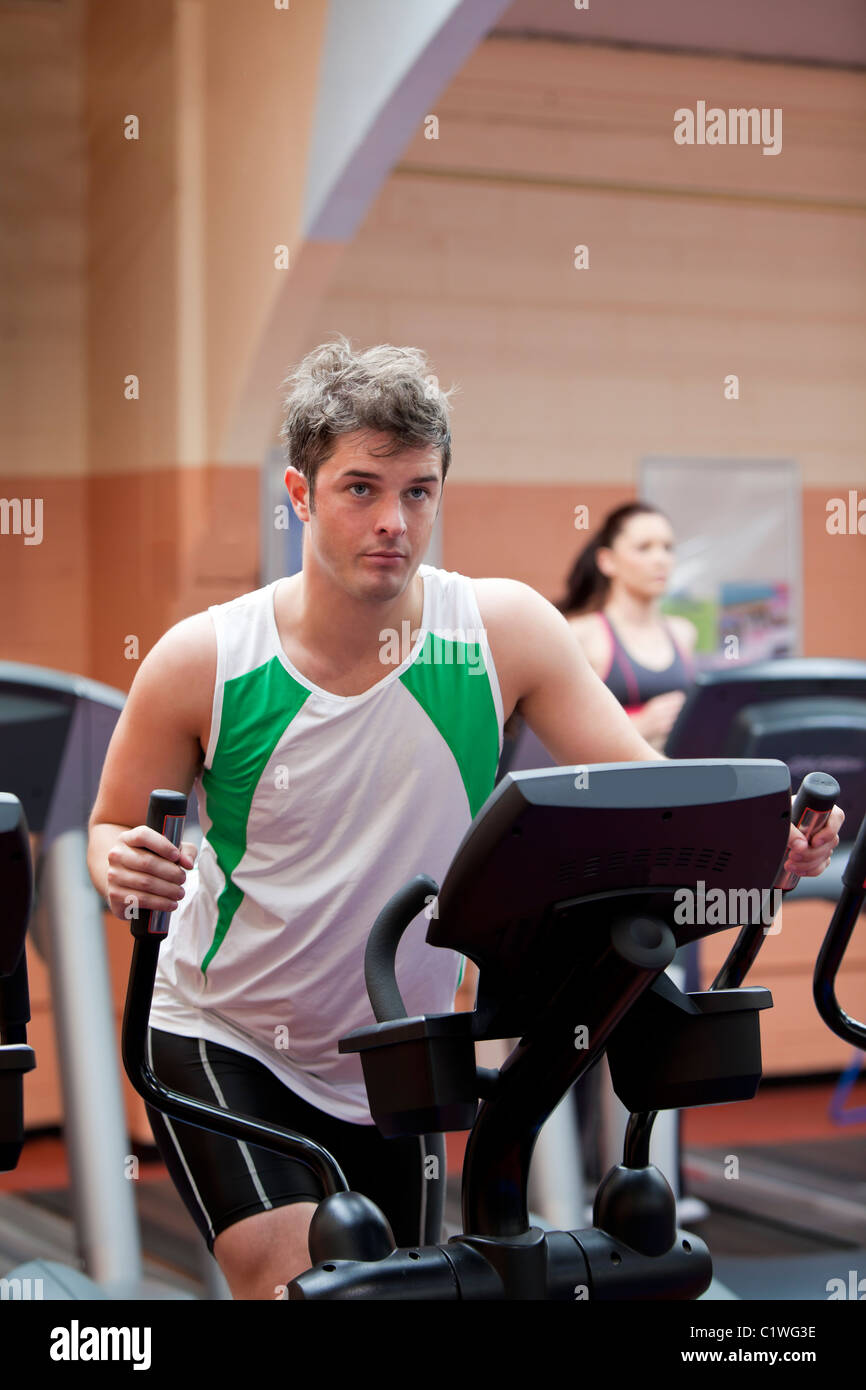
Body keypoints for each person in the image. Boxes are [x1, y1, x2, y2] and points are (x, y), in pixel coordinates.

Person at [86, 336, 842, 1300]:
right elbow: (109, 829)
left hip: (395, 1047)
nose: (394, 520)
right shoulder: (206, 659)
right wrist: (119, 865)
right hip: (223, 1032)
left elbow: (654, 791)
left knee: (402, 1299)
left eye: (419, 491)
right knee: (303, 1291)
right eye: (361, 488)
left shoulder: (501, 630)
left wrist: (758, 843)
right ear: (301, 493)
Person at [555, 502, 697, 752]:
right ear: (607, 561)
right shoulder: (581, 634)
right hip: (612, 786)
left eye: (668, 548)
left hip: (676, 782)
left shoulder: (683, 632)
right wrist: (641, 725)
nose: (661, 559)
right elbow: (560, 738)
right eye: (644, 548)